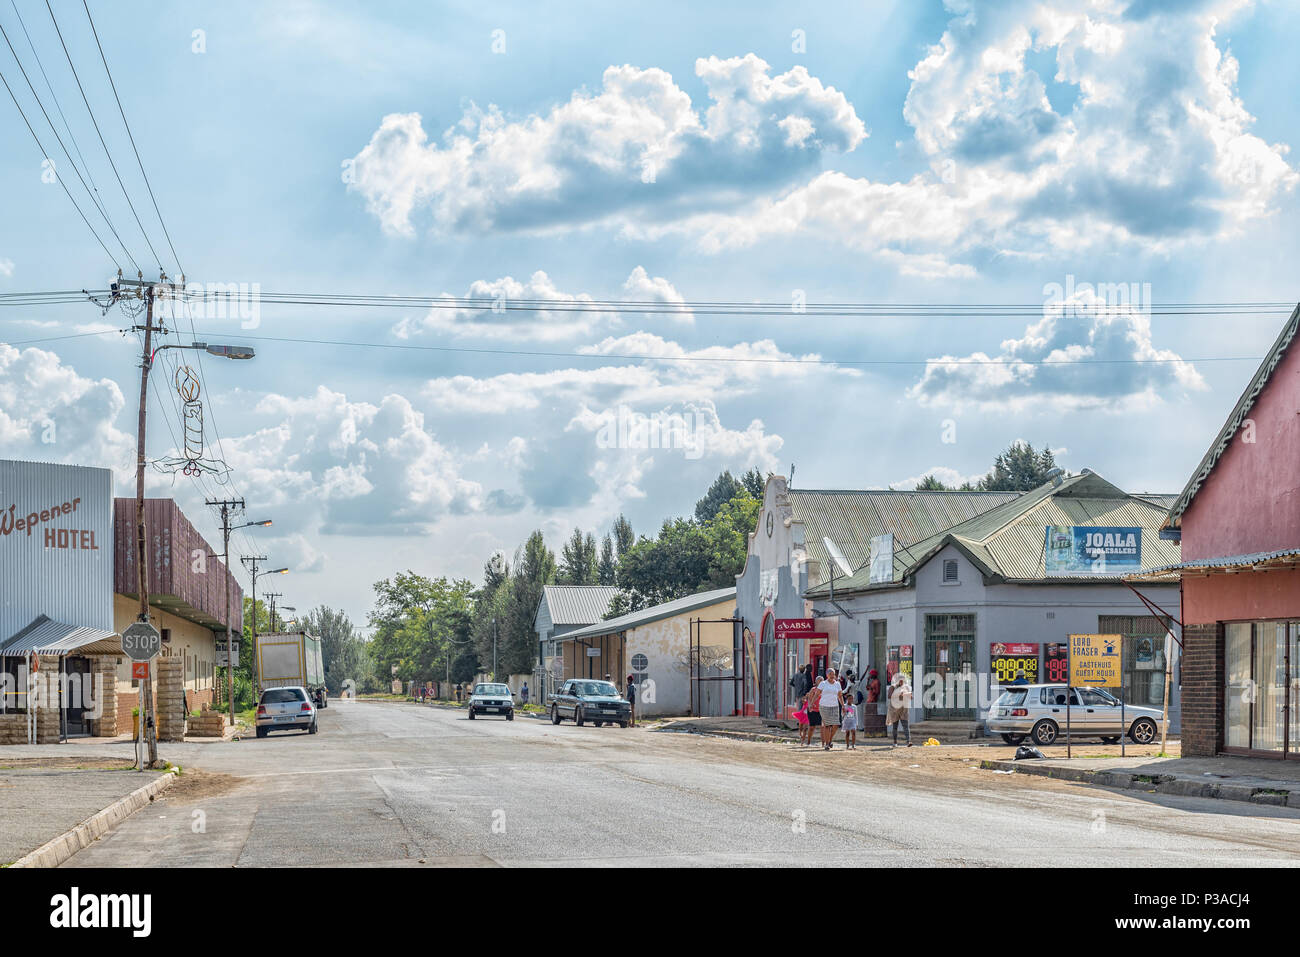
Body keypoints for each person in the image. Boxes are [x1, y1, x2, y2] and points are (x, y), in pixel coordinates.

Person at [816, 667, 845, 751]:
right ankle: (827, 744)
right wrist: (811, 703)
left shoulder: (837, 684)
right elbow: (817, 694)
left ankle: (829, 740)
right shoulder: (823, 684)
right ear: (827, 675)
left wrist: (843, 706)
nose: (832, 676)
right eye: (830, 674)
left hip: (834, 706)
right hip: (824, 706)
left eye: (833, 674)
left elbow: (840, 696)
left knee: (836, 724)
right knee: (827, 726)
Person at [886, 672, 913, 747]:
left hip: (903, 709)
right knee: (895, 726)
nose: (901, 682)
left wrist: (906, 695)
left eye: (902, 680)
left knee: (906, 726)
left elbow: (911, 697)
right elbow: (889, 696)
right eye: (900, 680)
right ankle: (895, 742)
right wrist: (898, 694)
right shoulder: (893, 687)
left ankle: (908, 741)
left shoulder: (906, 687)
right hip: (894, 709)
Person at [804, 676, 822, 746]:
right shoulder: (813, 689)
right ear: (816, 682)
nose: (821, 681)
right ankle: (808, 741)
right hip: (813, 710)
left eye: (822, 680)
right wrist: (810, 706)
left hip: (821, 710)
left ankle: (824, 743)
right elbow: (809, 699)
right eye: (819, 680)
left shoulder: (824, 690)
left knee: (823, 727)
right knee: (812, 727)